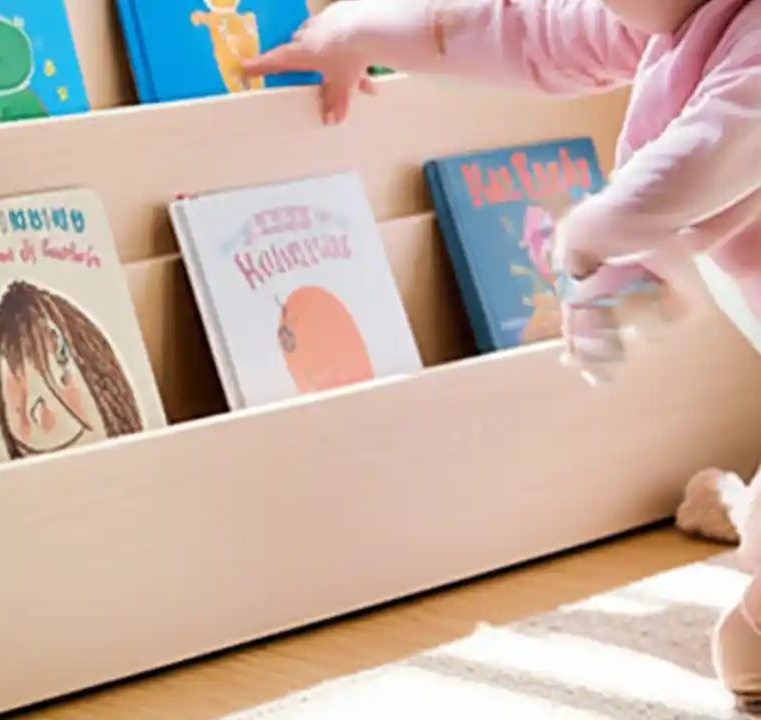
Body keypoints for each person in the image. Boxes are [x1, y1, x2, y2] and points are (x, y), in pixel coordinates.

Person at [241, 0, 761, 709]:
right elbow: (524, 32)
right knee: (747, 653)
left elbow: (714, 147)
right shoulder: (668, 15)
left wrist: (595, 232)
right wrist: (360, 30)